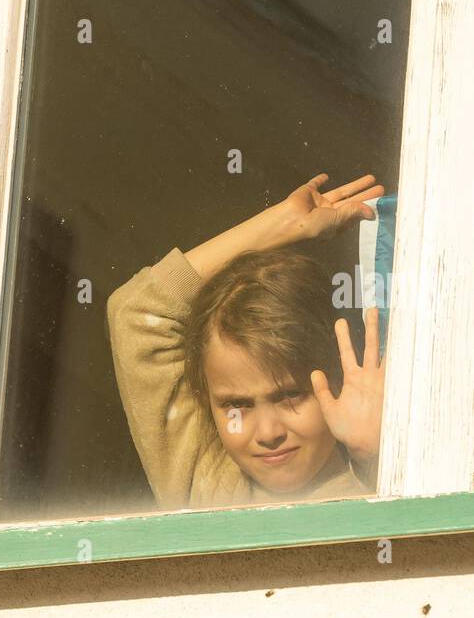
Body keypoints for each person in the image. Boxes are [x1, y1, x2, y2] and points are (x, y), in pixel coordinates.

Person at [107, 173, 386, 510]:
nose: (268, 433)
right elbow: (135, 311)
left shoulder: (384, 480)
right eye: (235, 405)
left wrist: (375, 456)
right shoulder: (209, 487)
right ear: (206, 401)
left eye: (289, 395)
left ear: (338, 378)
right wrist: (286, 224)